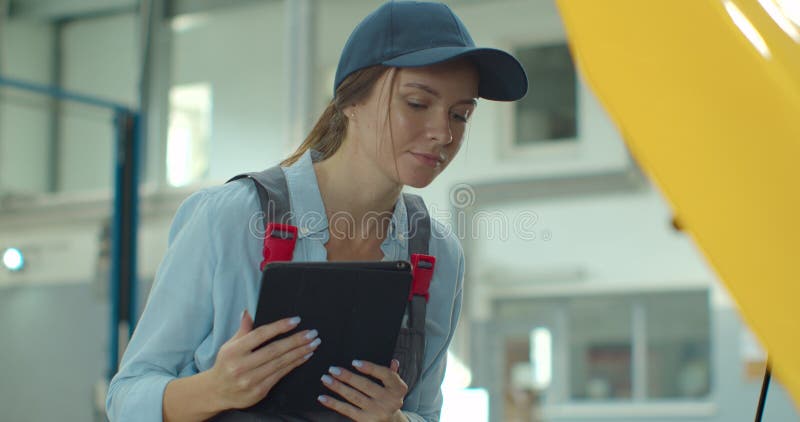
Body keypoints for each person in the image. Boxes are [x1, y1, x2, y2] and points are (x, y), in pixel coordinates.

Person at [106, 1, 527, 421]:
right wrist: (215, 389)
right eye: (417, 103)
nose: (443, 133)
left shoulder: (439, 254)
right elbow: (126, 398)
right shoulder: (229, 219)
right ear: (351, 100)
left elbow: (426, 414)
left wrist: (394, 420)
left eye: (460, 114)